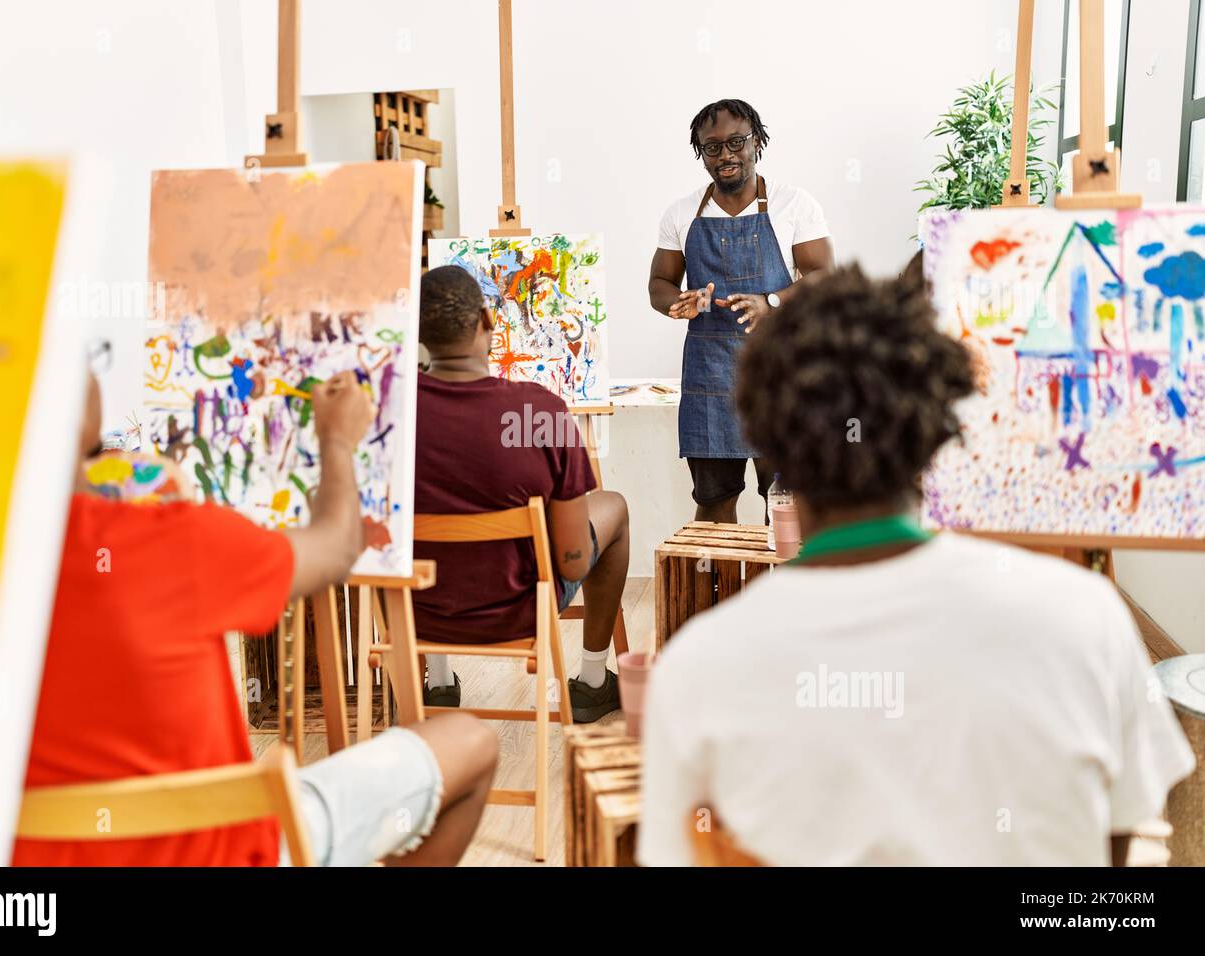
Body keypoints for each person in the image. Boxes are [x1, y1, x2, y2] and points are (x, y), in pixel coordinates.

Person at [639, 265, 1195, 866]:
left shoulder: (698, 671)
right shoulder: (1086, 618)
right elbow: (1108, 860)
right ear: (933, 427)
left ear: (762, 434)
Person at [14, 369, 498, 867]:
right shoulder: (164, 538)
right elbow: (337, 546)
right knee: (470, 742)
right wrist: (336, 441)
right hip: (224, 855)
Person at [413, 265, 630, 723]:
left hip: (415, 612)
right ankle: (593, 682)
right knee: (615, 508)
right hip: (518, 611)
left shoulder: (387, 414)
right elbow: (571, 562)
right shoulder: (539, 411)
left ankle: (435, 682)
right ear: (489, 322)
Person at [648, 98, 835, 523]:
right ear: (700, 153)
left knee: (787, 504)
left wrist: (772, 302)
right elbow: (659, 284)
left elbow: (824, 276)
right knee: (714, 502)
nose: (726, 155)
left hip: (782, 377)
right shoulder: (681, 213)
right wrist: (680, 303)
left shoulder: (794, 204)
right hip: (710, 377)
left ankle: (784, 592)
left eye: (736, 142)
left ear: (757, 142)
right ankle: (722, 591)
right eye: (712, 147)